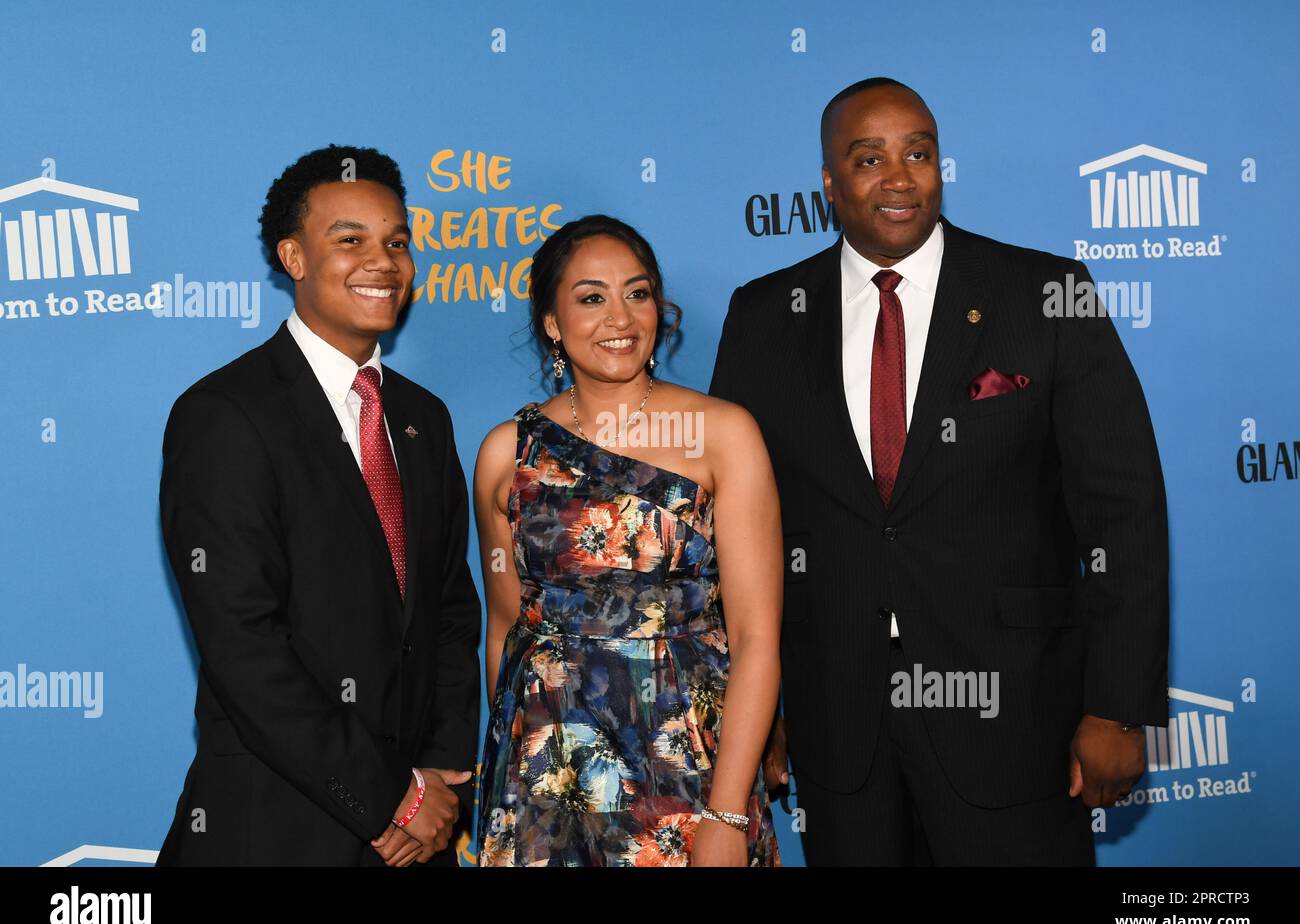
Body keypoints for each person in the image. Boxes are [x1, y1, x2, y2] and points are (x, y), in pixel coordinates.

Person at [709, 79, 1170, 865]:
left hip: (1017, 717)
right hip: (837, 723)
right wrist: (755, 707)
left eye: (918, 153)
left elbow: (1122, 512)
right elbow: (732, 528)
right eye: (869, 158)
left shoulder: (1045, 294)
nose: (899, 177)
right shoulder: (763, 316)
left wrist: (1120, 712)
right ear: (828, 182)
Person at [156, 145, 481, 866]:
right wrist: (390, 798)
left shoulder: (424, 418)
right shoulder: (225, 414)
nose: (383, 261)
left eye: (397, 242)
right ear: (293, 258)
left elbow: (451, 612)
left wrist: (438, 777)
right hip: (277, 826)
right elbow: (246, 646)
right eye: (351, 240)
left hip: (415, 837)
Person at [473, 215, 782, 866]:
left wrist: (727, 813)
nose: (620, 317)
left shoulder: (723, 434)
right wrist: (501, 784)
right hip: (545, 780)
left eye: (637, 293)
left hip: (686, 767)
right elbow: (505, 628)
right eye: (591, 298)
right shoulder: (509, 454)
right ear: (552, 323)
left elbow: (756, 637)